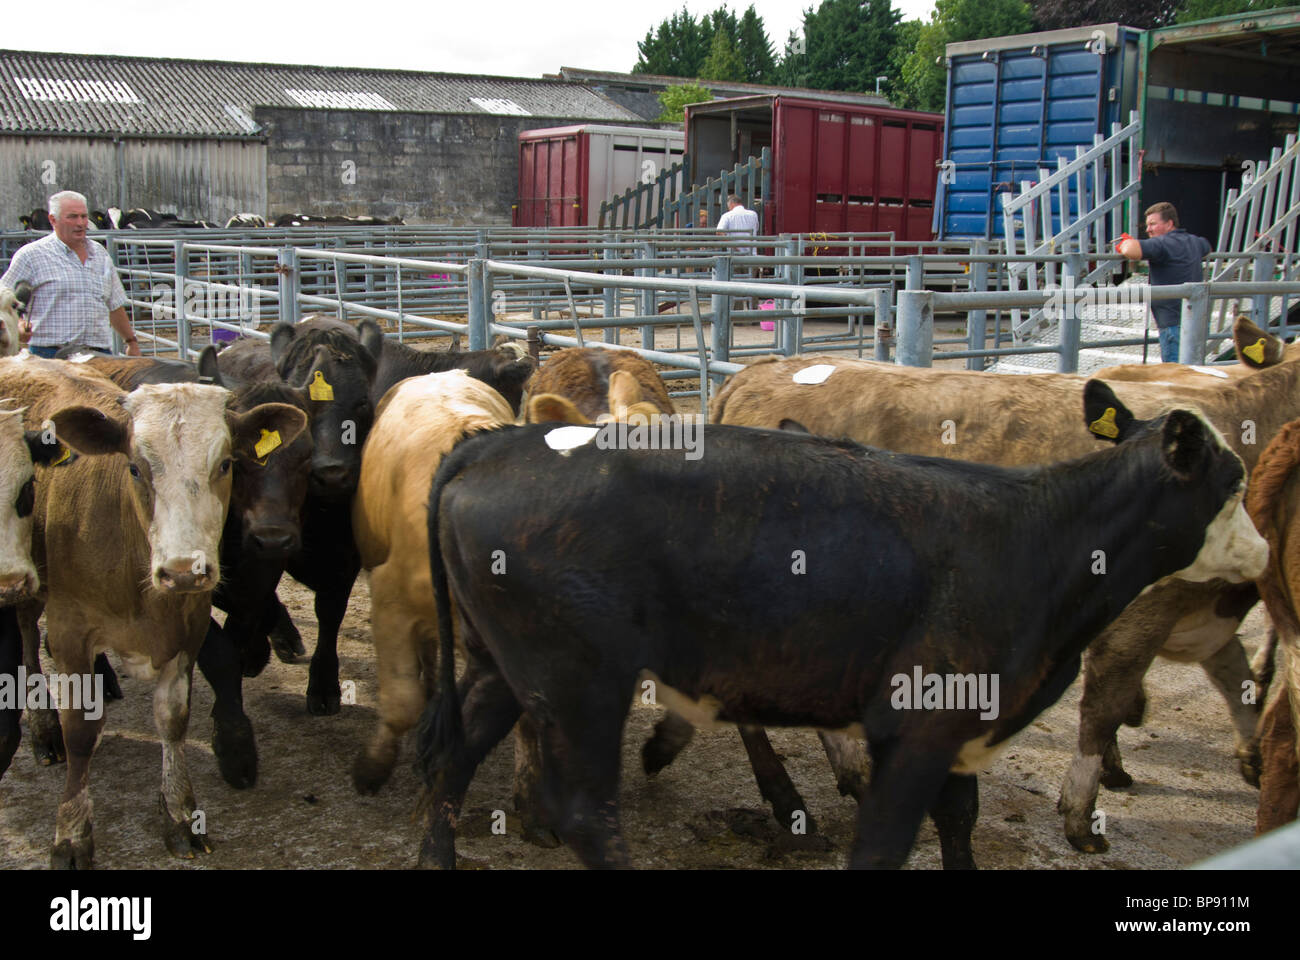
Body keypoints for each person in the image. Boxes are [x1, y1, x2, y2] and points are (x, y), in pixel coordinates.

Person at [0, 190, 141, 358]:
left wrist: (131, 342)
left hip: (99, 355)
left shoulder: (100, 254)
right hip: (50, 356)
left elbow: (115, 304)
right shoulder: (31, 256)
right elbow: (4, 297)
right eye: (72, 217)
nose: (81, 223)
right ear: (53, 220)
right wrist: (19, 325)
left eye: (83, 216)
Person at [1116, 202, 1210, 363]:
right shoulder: (1194, 241)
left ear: (1169, 224)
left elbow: (1130, 250)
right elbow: (1206, 247)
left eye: (1153, 224)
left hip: (1173, 324)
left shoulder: (1161, 244)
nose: (1148, 230)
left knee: (1175, 376)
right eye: (1147, 225)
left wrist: (1125, 242)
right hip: (1196, 321)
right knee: (1194, 371)